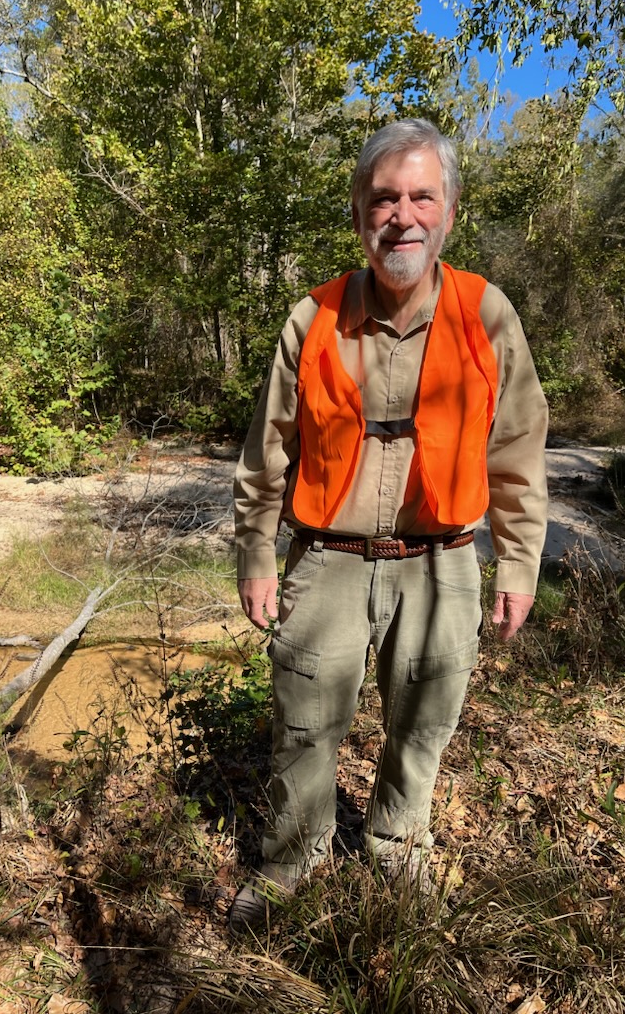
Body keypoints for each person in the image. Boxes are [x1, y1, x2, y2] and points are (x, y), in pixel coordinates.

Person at [230, 117, 548, 933]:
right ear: (359, 213)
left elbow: (516, 448)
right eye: (383, 199)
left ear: (448, 210)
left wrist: (517, 565)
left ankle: (397, 847)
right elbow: (268, 448)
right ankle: (291, 864)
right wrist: (256, 555)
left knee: (424, 724)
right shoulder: (312, 318)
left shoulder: (487, 313)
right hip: (326, 560)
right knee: (303, 725)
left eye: (420, 197)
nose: (401, 215)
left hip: (443, 564)